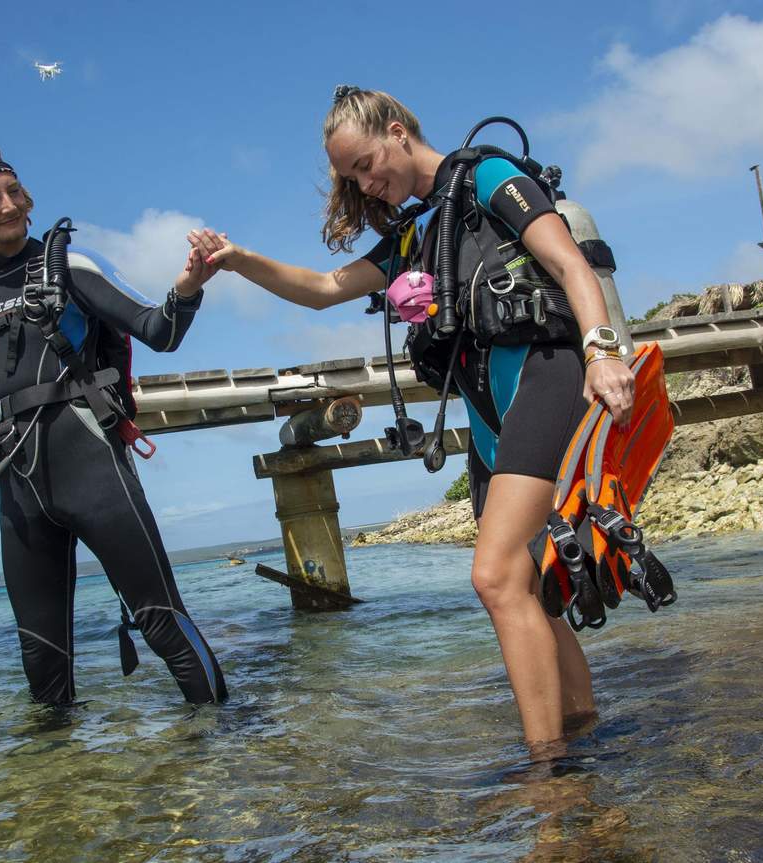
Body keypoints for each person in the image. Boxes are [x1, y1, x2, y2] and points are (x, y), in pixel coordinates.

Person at [187, 87, 635, 749]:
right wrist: (238, 260)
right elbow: (322, 289)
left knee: (490, 575)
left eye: (367, 164)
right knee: (532, 586)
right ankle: (580, 739)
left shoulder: (487, 178)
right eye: (352, 178)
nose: (367, 183)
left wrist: (600, 351)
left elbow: (568, 262)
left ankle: (546, 779)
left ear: (397, 132)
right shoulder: (414, 232)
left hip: (544, 373)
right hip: (489, 417)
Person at [0, 143, 228, 706]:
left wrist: (188, 289)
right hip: (20, 492)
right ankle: (58, 792)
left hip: (93, 471)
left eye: (14, 192)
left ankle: (231, 743)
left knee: (160, 621)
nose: (9, 206)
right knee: (41, 658)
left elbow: (159, 332)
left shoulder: (67, 267)